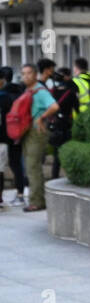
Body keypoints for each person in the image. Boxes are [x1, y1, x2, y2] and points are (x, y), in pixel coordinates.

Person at [18, 63, 59, 211]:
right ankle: (38, 199)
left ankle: (36, 202)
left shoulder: (40, 91)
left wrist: (41, 118)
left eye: (28, 73)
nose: (25, 76)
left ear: (35, 74)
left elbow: (54, 106)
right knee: (30, 167)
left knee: (33, 166)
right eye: (23, 74)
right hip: (28, 132)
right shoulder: (28, 90)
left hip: (37, 132)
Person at [0, 67, 26, 206]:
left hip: (3, 136)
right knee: (17, 165)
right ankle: (20, 194)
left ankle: (0, 197)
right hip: (18, 134)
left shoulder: (2, 95)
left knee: (1, 168)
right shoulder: (20, 91)